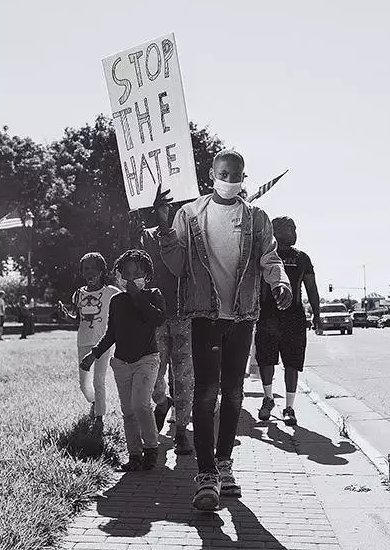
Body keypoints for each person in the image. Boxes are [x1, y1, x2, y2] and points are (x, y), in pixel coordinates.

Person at [155, 149, 292, 511]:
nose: (230, 180)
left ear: (245, 178)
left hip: (243, 316)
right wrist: (164, 225)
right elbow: (178, 266)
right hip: (205, 316)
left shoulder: (257, 218)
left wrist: (279, 283)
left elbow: (269, 257)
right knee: (206, 394)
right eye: (224, 173)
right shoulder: (190, 214)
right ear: (211, 173)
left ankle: (225, 464)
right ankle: (205, 474)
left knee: (232, 394)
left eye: (237, 175)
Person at [80, 249, 166, 471]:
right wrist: (94, 354)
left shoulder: (153, 295)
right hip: (121, 363)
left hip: (147, 359)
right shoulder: (117, 301)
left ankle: (152, 448)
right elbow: (112, 333)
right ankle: (134, 454)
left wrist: (137, 295)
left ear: (146, 275)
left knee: (141, 404)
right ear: (118, 275)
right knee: (128, 411)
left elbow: (157, 318)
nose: (129, 278)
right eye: (125, 274)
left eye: (136, 273)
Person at [133, 202, 195, 455]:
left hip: (185, 316)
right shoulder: (145, 235)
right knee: (153, 377)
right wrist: (133, 237)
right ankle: (162, 402)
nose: (168, 207)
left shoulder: (190, 235)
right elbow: (135, 273)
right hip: (156, 318)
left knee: (183, 378)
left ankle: (181, 431)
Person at [255, 216, 322, 427]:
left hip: (294, 317)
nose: (294, 232)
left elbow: (311, 288)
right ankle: (268, 399)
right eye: (291, 228)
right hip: (267, 316)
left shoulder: (302, 258)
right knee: (266, 360)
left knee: (292, 363)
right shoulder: (264, 255)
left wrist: (317, 314)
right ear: (277, 231)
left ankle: (289, 408)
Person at [70, 252, 121, 424]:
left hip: (103, 342)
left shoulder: (111, 292)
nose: (89, 272)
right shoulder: (78, 293)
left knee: (98, 380)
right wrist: (66, 316)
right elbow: (78, 317)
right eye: (86, 268)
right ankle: (94, 402)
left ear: (101, 271)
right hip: (83, 341)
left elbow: (126, 304)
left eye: (93, 268)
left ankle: (100, 417)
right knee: (83, 385)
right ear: (82, 272)